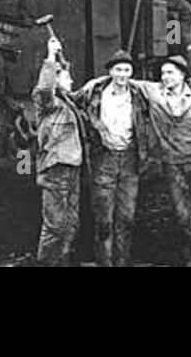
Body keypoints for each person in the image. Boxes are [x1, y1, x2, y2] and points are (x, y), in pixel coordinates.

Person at [118, 54, 191, 266]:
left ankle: (190, 259)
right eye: (163, 73)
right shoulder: (153, 92)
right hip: (172, 166)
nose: (165, 77)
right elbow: (122, 79)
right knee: (183, 216)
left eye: (171, 73)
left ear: (183, 75)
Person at [75, 49, 151, 266]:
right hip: (104, 159)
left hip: (129, 159)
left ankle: (122, 261)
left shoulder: (138, 93)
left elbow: (168, 88)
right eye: (118, 69)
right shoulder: (94, 91)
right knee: (103, 219)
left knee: (126, 217)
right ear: (110, 71)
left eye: (127, 70)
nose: (122, 75)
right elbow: (71, 101)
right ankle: (105, 262)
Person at [32, 35, 87, 265]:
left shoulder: (69, 104)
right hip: (55, 169)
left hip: (72, 169)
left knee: (71, 222)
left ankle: (63, 260)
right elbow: (45, 87)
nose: (72, 80)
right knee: (55, 225)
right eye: (67, 77)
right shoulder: (48, 104)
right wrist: (51, 56)